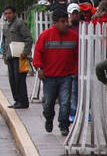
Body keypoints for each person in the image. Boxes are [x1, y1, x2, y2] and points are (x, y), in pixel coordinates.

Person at [32, 8, 77, 136]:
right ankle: (48, 118)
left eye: (66, 21)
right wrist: (39, 68)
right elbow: (38, 53)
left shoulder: (73, 37)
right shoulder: (45, 36)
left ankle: (63, 125)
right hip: (49, 76)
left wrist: (75, 71)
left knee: (65, 102)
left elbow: (77, 55)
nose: (66, 24)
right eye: (63, 21)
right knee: (48, 103)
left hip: (66, 76)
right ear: (55, 22)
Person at [0, 6, 32, 109]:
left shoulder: (19, 23)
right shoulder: (6, 25)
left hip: (20, 56)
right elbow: (5, 42)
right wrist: (4, 55)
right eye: (6, 13)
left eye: (9, 13)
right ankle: (17, 100)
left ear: (14, 13)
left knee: (20, 79)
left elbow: (29, 38)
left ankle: (23, 101)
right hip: (10, 56)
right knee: (12, 79)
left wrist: (25, 52)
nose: (8, 15)